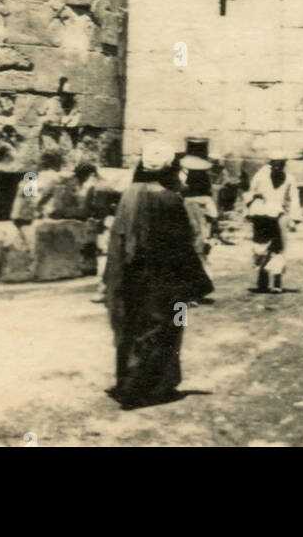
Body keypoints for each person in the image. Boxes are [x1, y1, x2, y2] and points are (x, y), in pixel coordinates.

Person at [104, 140, 212, 409]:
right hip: (162, 280)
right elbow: (181, 245)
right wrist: (195, 284)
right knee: (165, 327)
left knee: (131, 327)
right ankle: (146, 388)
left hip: (129, 276)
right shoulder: (167, 198)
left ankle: (126, 381)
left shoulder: (130, 193)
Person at [245, 150, 302, 293]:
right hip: (262, 216)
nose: (277, 167)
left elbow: (294, 199)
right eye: (274, 164)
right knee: (261, 248)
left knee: (279, 248)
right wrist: (255, 199)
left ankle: (277, 282)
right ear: (270, 164)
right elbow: (249, 194)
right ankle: (262, 280)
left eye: (280, 164)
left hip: (279, 216)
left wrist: (294, 219)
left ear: (284, 164)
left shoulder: (289, 179)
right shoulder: (261, 176)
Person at [179, 154, 218, 274]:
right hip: (201, 232)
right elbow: (214, 217)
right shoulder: (206, 199)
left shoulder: (183, 199)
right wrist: (213, 235)